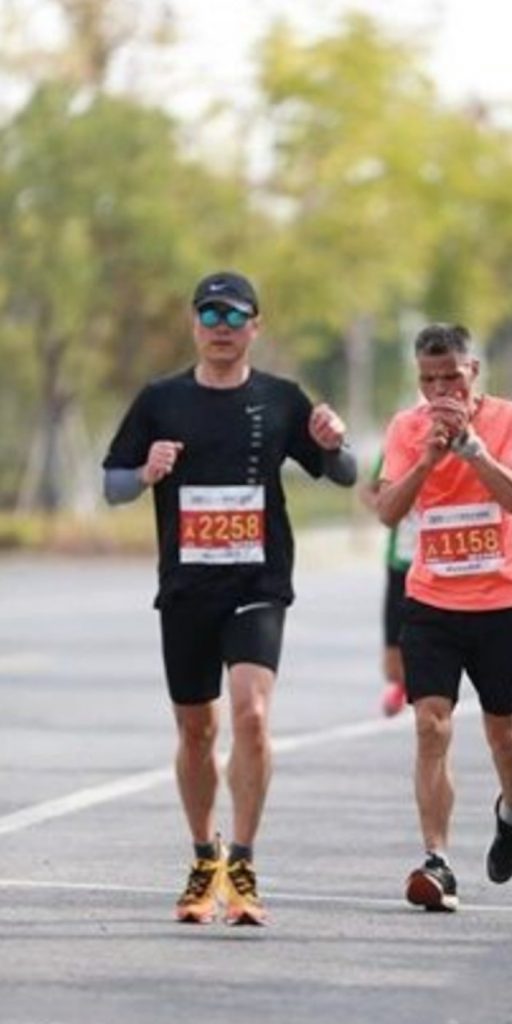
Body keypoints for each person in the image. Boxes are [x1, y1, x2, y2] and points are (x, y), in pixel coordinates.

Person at [102, 270, 357, 926]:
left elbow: (343, 472)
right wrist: (144, 472)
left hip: (257, 581)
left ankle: (241, 859)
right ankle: (202, 855)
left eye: (233, 316)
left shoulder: (280, 399)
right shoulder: (160, 400)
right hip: (187, 586)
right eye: (209, 315)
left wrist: (334, 442)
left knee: (251, 715)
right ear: (193, 324)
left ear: (254, 326)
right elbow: (112, 486)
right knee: (197, 728)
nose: (221, 328)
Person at [376, 322, 512, 912]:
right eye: (428, 379)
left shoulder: (509, 419)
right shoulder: (406, 428)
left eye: (451, 376)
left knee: (504, 736)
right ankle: (437, 862)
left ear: (474, 371)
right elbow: (388, 511)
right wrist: (425, 461)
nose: (440, 389)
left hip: (503, 604)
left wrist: (472, 448)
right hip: (432, 603)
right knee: (431, 727)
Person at [359, 452, 418, 716]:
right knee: (392, 661)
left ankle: (425, 690)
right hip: (401, 562)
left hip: (440, 566)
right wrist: (388, 507)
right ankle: (401, 683)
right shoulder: (399, 439)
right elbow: (367, 492)